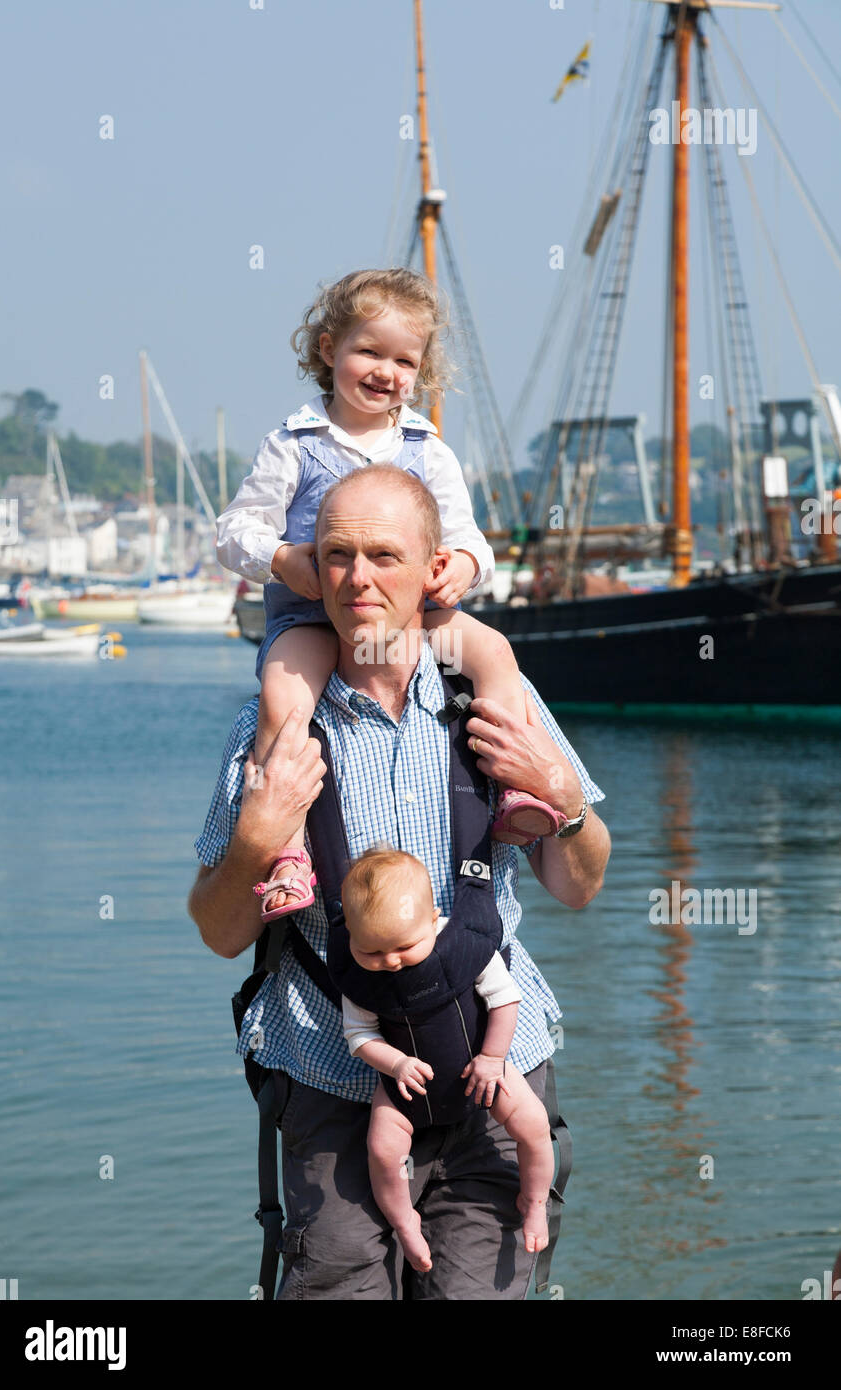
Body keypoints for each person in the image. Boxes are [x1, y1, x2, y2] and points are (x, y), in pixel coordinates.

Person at [189, 463, 610, 1300]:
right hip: (332, 1077)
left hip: (498, 1069)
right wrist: (259, 837)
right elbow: (218, 928)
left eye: (385, 554)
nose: (359, 577)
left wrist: (562, 800)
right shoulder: (273, 728)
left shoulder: (496, 701)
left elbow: (580, 884)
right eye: (338, 554)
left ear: (434, 570)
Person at [215, 267, 566, 923]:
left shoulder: (426, 450)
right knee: (284, 699)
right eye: (369, 351)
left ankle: (518, 788)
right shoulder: (295, 445)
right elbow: (234, 531)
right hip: (315, 617)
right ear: (328, 350)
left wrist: (463, 564)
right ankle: (289, 854)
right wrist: (282, 557)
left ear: (421, 369)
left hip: (416, 621)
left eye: (404, 359)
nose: (386, 371)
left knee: (493, 652)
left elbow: (469, 536)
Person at [339, 846, 556, 1274]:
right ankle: (405, 1222)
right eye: (372, 953)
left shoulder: (462, 946)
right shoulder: (358, 974)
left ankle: (534, 1202)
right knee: (382, 1149)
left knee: (534, 1127)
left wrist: (493, 1058)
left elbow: (505, 999)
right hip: (406, 1089)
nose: (390, 962)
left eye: (404, 946)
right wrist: (395, 1064)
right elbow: (359, 1036)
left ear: (434, 919)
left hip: (481, 1075)